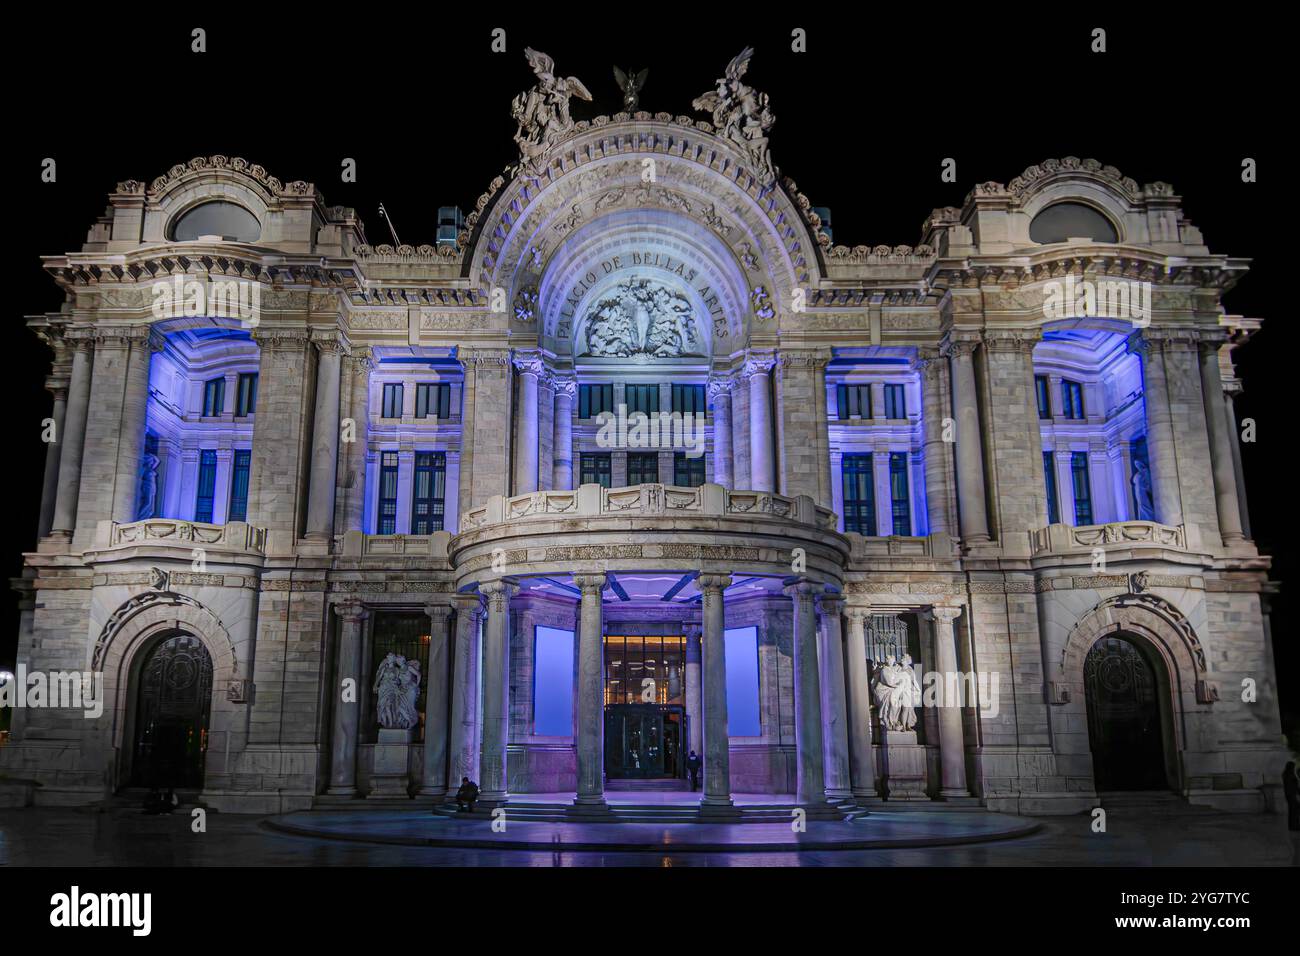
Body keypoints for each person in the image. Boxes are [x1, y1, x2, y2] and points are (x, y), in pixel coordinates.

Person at [1284, 761, 1299, 832]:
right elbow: (1292, 786)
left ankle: (1293, 825)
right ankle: (1294, 826)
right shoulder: (1289, 775)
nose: (1294, 768)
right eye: (1293, 766)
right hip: (1291, 795)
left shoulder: (1287, 774)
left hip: (1290, 795)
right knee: (1294, 810)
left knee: (1293, 810)